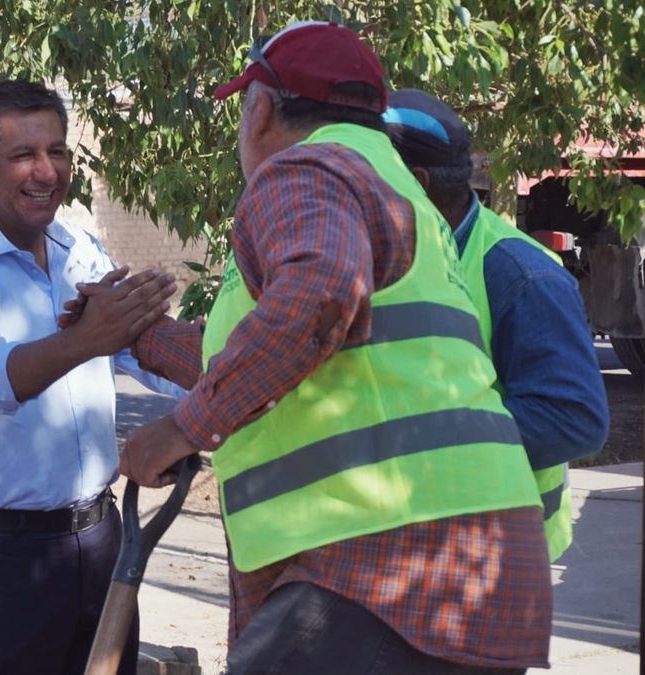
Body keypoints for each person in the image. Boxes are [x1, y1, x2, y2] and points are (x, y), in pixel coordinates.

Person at [111, 21, 553, 674]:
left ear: (260, 107)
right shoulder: (401, 192)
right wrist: (138, 337)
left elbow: (317, 297)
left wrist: (180, 430)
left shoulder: (305, 166)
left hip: (383, 559)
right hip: (478, 562)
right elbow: (259, 351)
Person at [0, 79, 181, 675]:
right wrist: (89, 337)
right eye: (23, 154)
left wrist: (239, 355)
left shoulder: (79, 248)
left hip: (101, 539)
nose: (46, 171)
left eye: (57, 151)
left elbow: (143, 351)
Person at [384, 88, 610, 561]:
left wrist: (417, 444)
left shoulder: (521, 274)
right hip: (419, 547)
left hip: (495, 555)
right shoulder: (399, 253)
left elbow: (575, 420)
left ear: (415, 182)